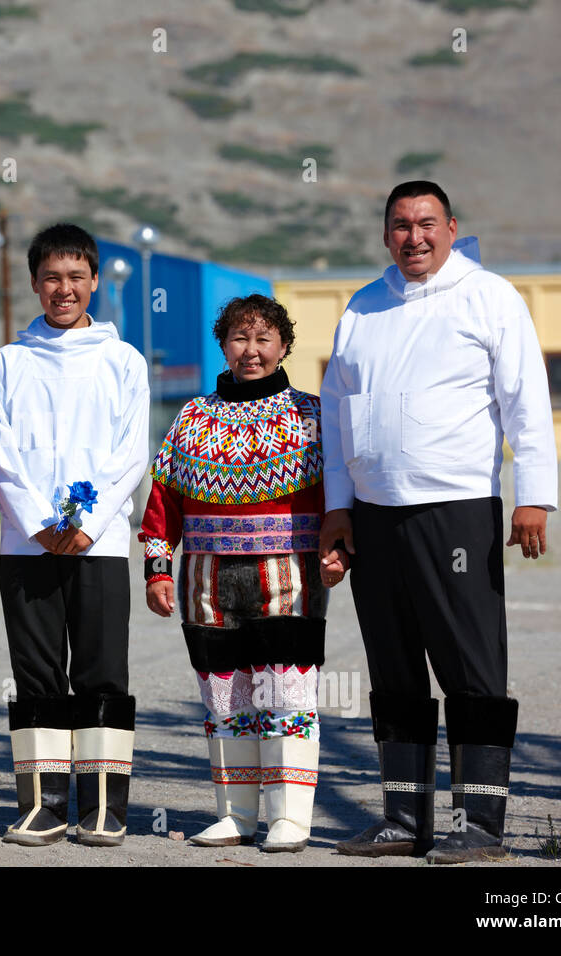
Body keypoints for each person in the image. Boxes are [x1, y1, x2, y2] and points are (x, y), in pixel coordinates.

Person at [319, 181, 557, 863]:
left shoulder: (490, 297)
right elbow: (340, 417)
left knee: (470, 668)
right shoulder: (363, 307)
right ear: (384, 234)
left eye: (427, 223)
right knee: (394, 672)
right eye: (400, 225)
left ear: (451, 227)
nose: (414, 237)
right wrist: (338, 508)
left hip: (455, 512)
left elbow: (526, 400)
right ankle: (402, 818)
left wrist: (533, 495)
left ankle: (480, 825)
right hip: (374, 515)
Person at [140, 295, 348, 852]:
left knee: (286, 694)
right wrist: (157, 568)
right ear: (223, 344)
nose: (251, 351)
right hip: (205, 578)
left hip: (289, 575)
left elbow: (339, 497)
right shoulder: (191, 417)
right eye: (239, 338)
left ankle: (289, 817)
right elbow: (163, 500)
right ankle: (236, 814)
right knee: (224, 699)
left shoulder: (312, 414)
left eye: (263, 339)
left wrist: (339, 550)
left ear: (284, 346)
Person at [0, 223, 149, 847]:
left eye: (77, 276)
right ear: (34, 282)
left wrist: (85, 522)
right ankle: (45, 804)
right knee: (37, 673)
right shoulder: (7, 362)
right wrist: (40, 520)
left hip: (98, 544)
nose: (64, 288)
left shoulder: (123, 361)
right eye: (52, 277)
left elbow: (132, 453)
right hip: (30, 545)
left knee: (103, 670)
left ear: (96, 281)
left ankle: (104, 805)